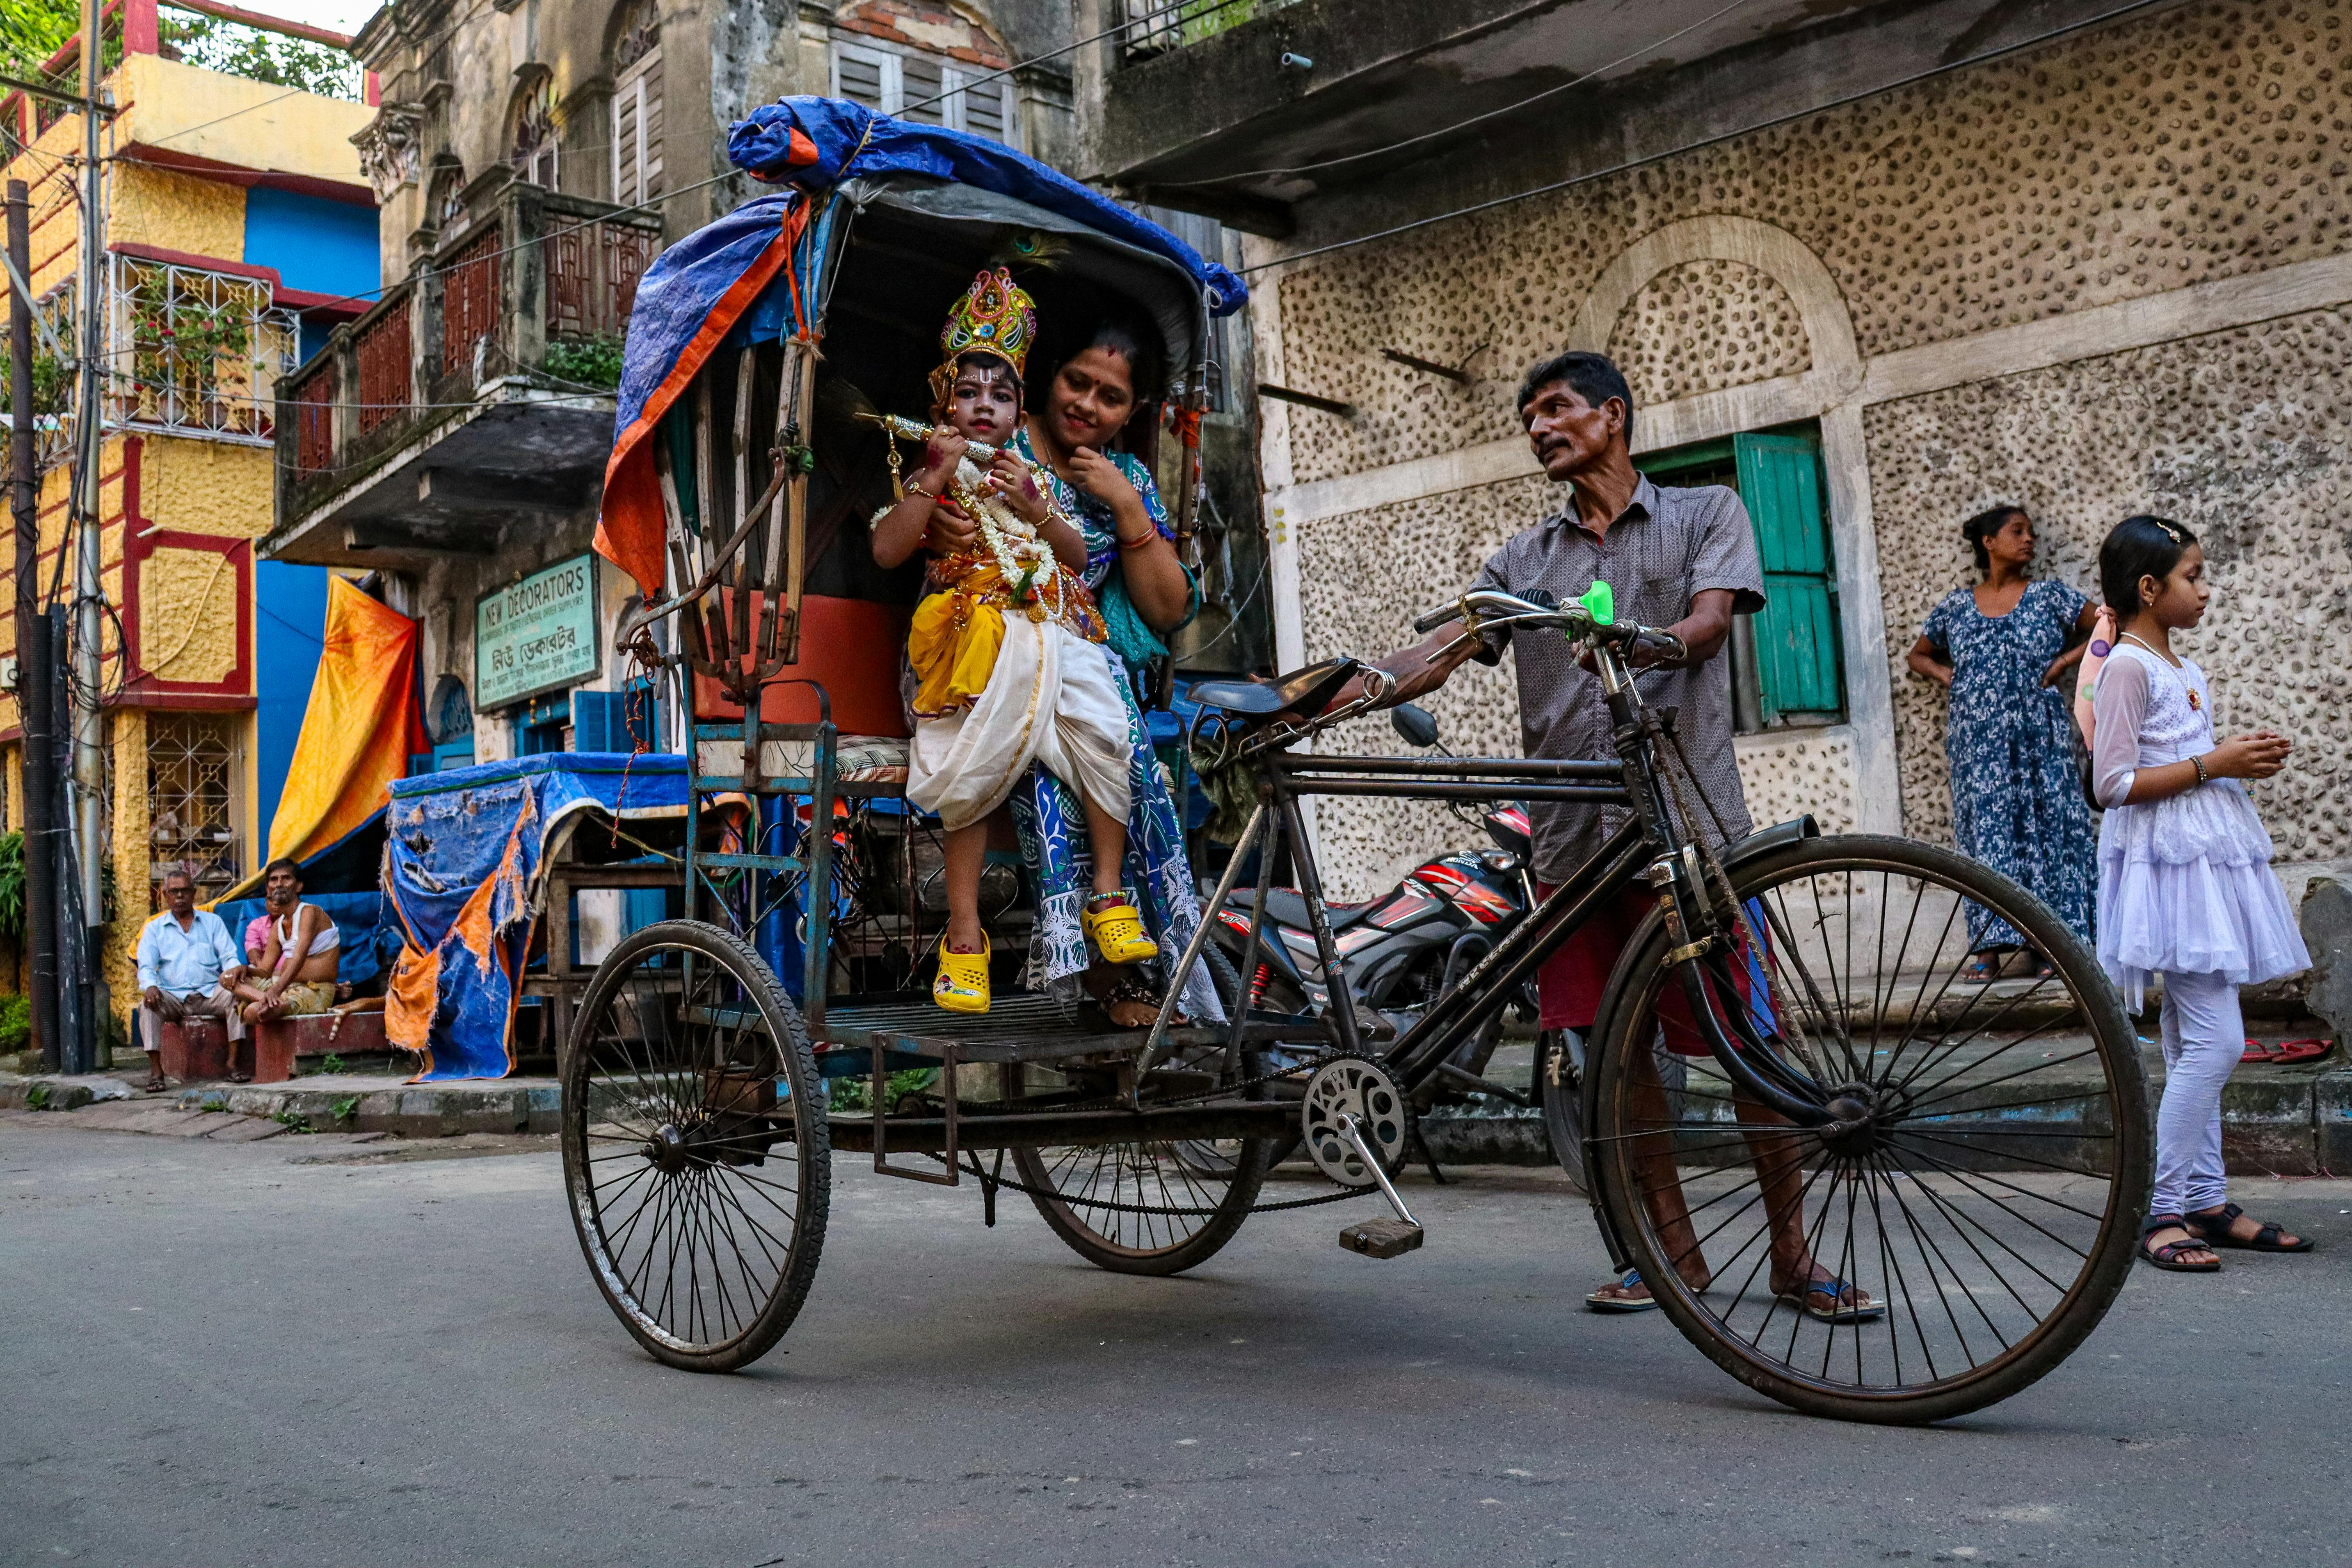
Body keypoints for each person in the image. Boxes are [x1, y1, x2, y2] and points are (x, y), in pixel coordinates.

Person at [1341, 349, 1878, 1320]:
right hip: (1574, 848)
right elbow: (1446, 650)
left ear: (1615, 416)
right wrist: (1341, 689)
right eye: (1530, 418)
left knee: (1751, 1046)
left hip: (1689, 832)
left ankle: (1794, 1259)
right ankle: (1670, 1257)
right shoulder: (1523, 561)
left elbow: (1712, 624)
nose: (1542, 428)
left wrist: (1651, 640)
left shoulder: (1705, 514)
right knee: (1624, 1061)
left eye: (1558, 409)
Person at [919, 315, 1221, 1028]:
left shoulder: (1131, 476)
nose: (1087, 404)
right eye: (1075, 382)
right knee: (1051, 746)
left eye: (1110, 397)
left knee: (1112, 736)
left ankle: (1134, 946)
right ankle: (1104, 978)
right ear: (1040, 385)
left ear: (1132, 412)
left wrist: (1121, 503)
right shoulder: (999, 444)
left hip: (1084, 658)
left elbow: (1169, 607)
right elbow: (936, 513)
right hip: (995, 654)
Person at [873, 268, 1158, 1014]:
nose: (982, 407)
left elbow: (1074, 556)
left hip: (1051, 633)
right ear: (943, 405)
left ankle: (1106, 892)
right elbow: (887, 550)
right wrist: (931, 484)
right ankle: (962, 935)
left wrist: (1036, 511)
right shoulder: (928, 466)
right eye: (967, 393)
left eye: (999, 397)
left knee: (1109, 734)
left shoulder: (1030, 473)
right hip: (966, 645)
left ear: (1017, 411)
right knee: (967, 761)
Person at [2089, 516, 2313, 1271]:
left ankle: (2206, 1201)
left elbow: (2188, 755)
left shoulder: (2178, 665)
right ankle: (2155, 1209)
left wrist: (2233, 760)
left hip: (2199, 868)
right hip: (2166, 875)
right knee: (2216, 1043)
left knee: (2194, 1040)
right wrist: (2215, 764)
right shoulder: (2126, 666)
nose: (2205, 588)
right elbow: (2110, 784)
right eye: (2192, 576)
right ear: (2148, 589)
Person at [1907, 505, 2099, 976]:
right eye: (2018, 532)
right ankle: (1988, 949)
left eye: (2032, 533)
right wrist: (1949, 676)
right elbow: (1918, 656)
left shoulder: (2051, 597)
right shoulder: (1956, 607)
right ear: (1989, 542)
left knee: (2051, 827)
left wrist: (2065, 663)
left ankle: (2056, 946)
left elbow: (2109, 626)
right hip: (1978, 740)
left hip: (2042, 733)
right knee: (1987, 836)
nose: (2029, 540)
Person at [135, 865, 246, 1094]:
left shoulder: (212, 923)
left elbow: (228, 956)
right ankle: (157, 1073)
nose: (179, 896)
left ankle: (232, 1064)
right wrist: (150, 987)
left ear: (194, 894)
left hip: (209, 992)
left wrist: (233, 973)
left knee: (239, 997)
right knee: (147, 1007)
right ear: (164, 895)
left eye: (185, 891)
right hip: (173, 995)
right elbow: (146, 965)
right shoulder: (154, 929)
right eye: (173, 892)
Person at [235, 858, 342, 1041]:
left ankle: (275, 1003)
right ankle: (268, 1000)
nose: (279, 884)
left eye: (286, 879)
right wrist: (244, 970)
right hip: (283, 987)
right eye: (274, 880)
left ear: (299, 886)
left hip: (314, 991)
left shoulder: (310, 912)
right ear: (268, 888)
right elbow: (265, 971)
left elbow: (299, 958)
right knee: (228, 979)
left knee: (253, 1012)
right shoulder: (278, 926)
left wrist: (276, 991)